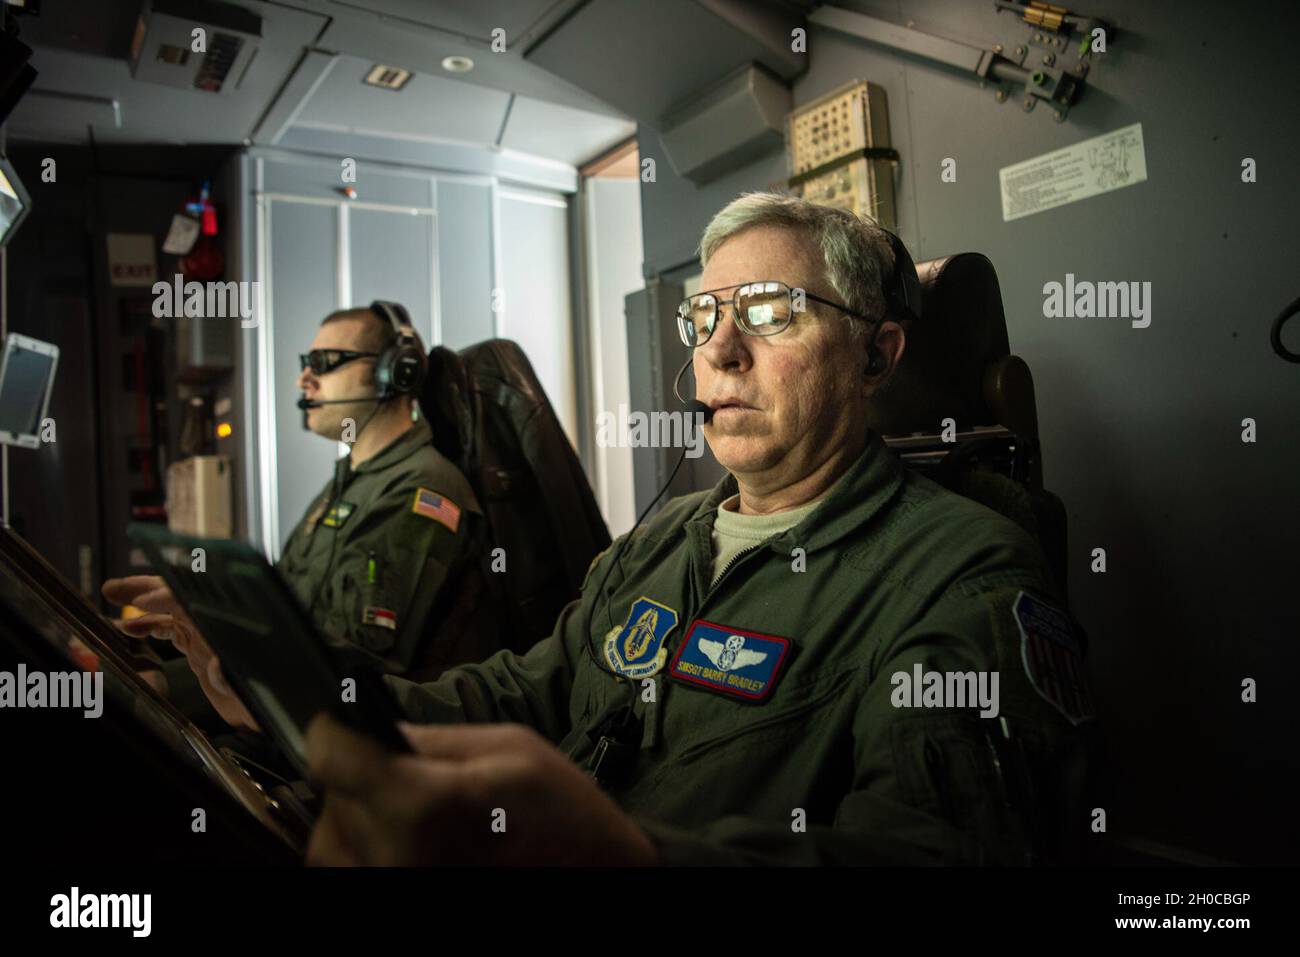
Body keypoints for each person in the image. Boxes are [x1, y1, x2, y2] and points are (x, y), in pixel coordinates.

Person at [162, 195, 1091, 866]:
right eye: (706, 315)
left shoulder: (965, 569)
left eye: (773, 311)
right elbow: (522, 692)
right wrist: (324, 701)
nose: (721, 349)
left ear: (875, 356)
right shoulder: (663, 540)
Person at [105, 302, 502, 716]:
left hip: (338, 736)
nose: (304, 379)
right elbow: (284, 616)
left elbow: (351, 666)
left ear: (395, 373)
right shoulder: (350, 483)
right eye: (305, 363)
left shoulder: (421, 490)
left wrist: (171, 683)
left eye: (324, 362)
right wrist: (184, 629)